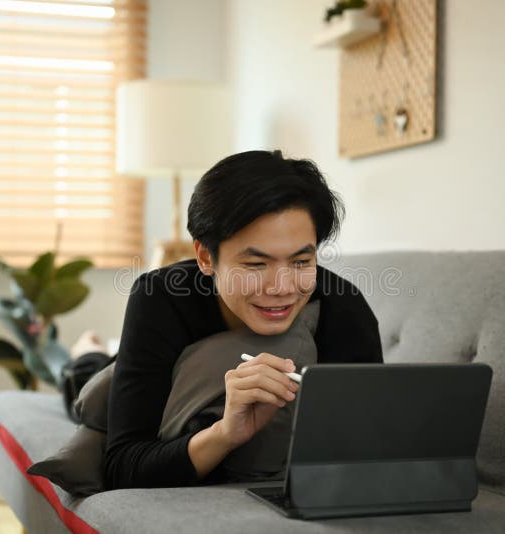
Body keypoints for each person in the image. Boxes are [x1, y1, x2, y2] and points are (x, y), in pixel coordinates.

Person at [104, 150, 383, 489]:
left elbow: (366, 455)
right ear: (206, 257)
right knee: (92, 384)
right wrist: (224, 433)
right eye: (255, 265)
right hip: (116, 377)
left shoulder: (344, 308)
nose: (282, 288)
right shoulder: (161, 297)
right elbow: (122, 466)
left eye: (300, 262)